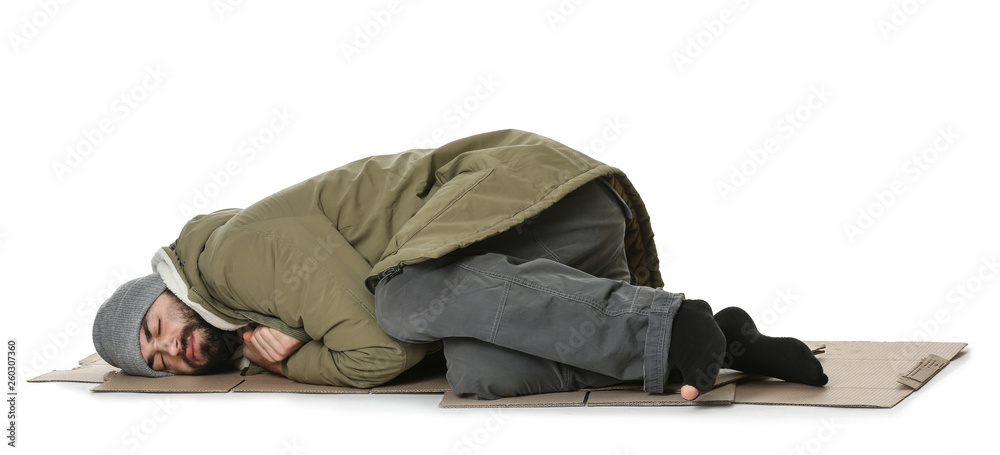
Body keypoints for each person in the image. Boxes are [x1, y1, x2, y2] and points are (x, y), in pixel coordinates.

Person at [92, 129, 828, 401]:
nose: (169, 350)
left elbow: (382, 349)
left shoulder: (227, 258)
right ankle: (722, 341)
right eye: (155, 362)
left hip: (540, 197)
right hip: (533, 260)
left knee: (403, 301)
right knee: (476, 369)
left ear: (168, 291)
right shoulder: (245, 314)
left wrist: (296, 365)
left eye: (154, 327)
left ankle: (668, 325)